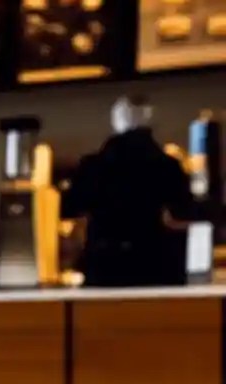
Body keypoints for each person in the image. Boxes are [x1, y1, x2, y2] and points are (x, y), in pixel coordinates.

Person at [62, 95, 195, 287]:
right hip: (156, 266)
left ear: (115, 121)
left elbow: (70, 208)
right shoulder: (168, 166)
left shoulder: (93, 166)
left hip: (104, 266)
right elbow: (183, 213)